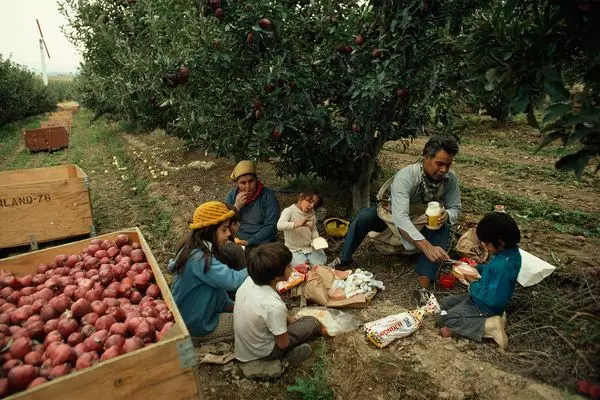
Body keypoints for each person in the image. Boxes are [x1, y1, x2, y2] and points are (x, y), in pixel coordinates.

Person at [328, 135, 461, 300]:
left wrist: (447, 215)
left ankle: (423, 286)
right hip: (393, 221)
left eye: (448, 165)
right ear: (426, 158)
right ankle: (344, 258)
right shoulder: (406, 177)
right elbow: (401, 219)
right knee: (364, 216)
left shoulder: (450, 179)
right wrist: (427, 247)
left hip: (423, 222)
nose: (444, 170)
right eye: (439, 164)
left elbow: (455, 208)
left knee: (443, 227)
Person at [437, 212, 522, 350]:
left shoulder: (504, 265)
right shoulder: (506, 254)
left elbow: (495, 299)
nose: (486, 247)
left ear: (500, 243)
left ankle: (490, 325)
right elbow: (492, 270)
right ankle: (490, 319)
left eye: (487, 244)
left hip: (485, 306)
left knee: (445, 318)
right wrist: (479, 268)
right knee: (445, 305)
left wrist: (473, 283)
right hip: (479, 298)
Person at [169, 201, 248, 343]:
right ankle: (199, 339)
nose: (229, 233)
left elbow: (217, 287)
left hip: (191, 315)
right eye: (224, 229)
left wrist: (230, 305)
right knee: (250, 323)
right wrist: (257, 265)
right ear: (209, 231)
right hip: (197, 324)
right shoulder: (200, 259)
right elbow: (233, 280)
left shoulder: (192, 250)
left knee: (244, 314)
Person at [234, 242, 323, 366]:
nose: (292, 268)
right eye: (288, 266)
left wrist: (288, 319)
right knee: (311, 322)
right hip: (263, 352)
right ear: (276, 276)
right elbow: (283, 343)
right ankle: (283, 360)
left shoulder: (250, 281)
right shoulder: (274, 305)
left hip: (244, 348)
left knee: (288, 320)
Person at [225, 160, 280, 247]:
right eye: (243, 183)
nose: (248, 186)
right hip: (237, 240)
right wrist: (236, 207)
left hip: (262, 242)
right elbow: (224, 223)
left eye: (251, 181)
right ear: (237, 184)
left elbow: (271, 226)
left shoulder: (267, 196)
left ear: (256, 180)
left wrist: (249, 242)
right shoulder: (232, 196)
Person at [277, 190, 326, 266]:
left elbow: (313, 229)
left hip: (308, 247)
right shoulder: (289, 211)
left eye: (314, 205)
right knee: (303, 267)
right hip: (293, 249)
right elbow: (280, 225)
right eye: (310, 201)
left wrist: (316, 239)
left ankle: (319, 253)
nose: (312, 206)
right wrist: (298, 224)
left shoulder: (312, 213)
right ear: (301, 198)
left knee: (321, 263)